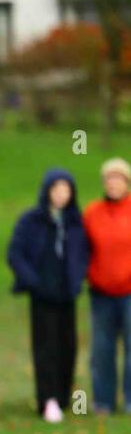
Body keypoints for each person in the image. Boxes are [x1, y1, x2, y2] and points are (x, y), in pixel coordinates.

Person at [7, 170, 89, 422]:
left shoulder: (75, 222)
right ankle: (48, 399)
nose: (61, 195)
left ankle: (63, 397)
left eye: (66, 190)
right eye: (56, 189)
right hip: (42, 295)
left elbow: (85, 253)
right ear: (47, 191)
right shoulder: (31, 221)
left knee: (68, 347)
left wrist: (78, 278)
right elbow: (15, 253)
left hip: (67, 295)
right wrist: (33, 281)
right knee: (46, 347)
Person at [83, 157, 131, 414]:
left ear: (127, 182)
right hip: (101, 293)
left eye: (119, 178)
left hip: (130, 293)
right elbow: (81, 249)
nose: (114, 183)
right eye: (109, 178)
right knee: (102, 350)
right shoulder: (93, 212)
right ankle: (103, 401)